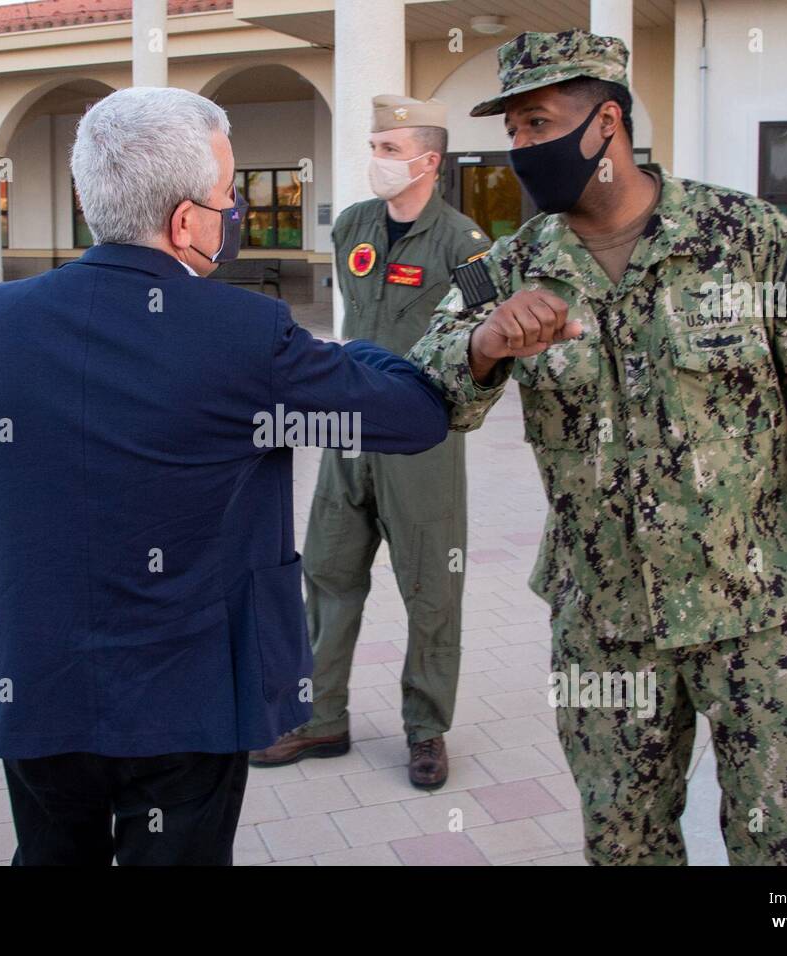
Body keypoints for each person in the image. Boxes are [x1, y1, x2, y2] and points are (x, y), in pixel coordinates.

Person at [0, 86, 522, 866]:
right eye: (227, 195)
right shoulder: (244, 335)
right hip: (190, 699)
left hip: (36, 683)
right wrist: (351, 357)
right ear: (187, 221)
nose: (235, 209)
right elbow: (415, 417)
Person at [408, 29, 787, 865]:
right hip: (604, 621)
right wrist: (484, 345)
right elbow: (430, 394)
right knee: (622, 838)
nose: (523, 147)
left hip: (759, 610)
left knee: (784, 836)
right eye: (515, 130)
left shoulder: (746, 239)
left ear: (607, 124)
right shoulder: (512, 267)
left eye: (538, 123)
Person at [250, 96, 492, 790]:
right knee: (326, 573)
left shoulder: (465, 244)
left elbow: (480, 345)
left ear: (429, 161)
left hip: (423, 435)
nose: (377, 159)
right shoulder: (354, 224)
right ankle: (319, 716)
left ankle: (426, 729)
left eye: (390, 147)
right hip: (346, 426)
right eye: (375, 144)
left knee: (430, 588)